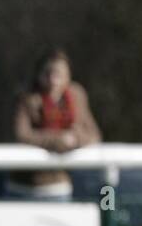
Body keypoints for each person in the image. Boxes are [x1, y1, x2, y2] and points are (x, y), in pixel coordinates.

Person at [10, 49, 102, 199]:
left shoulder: (76, 95)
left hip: (59, 185)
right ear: (39, 74)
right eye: (48, 74)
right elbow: (22, 135)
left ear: (68, 75)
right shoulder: (26, 97)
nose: (53, 80)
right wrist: (59, 140)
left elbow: (94, 134)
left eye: (58, 74)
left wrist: (74, 139)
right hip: (24, 186)